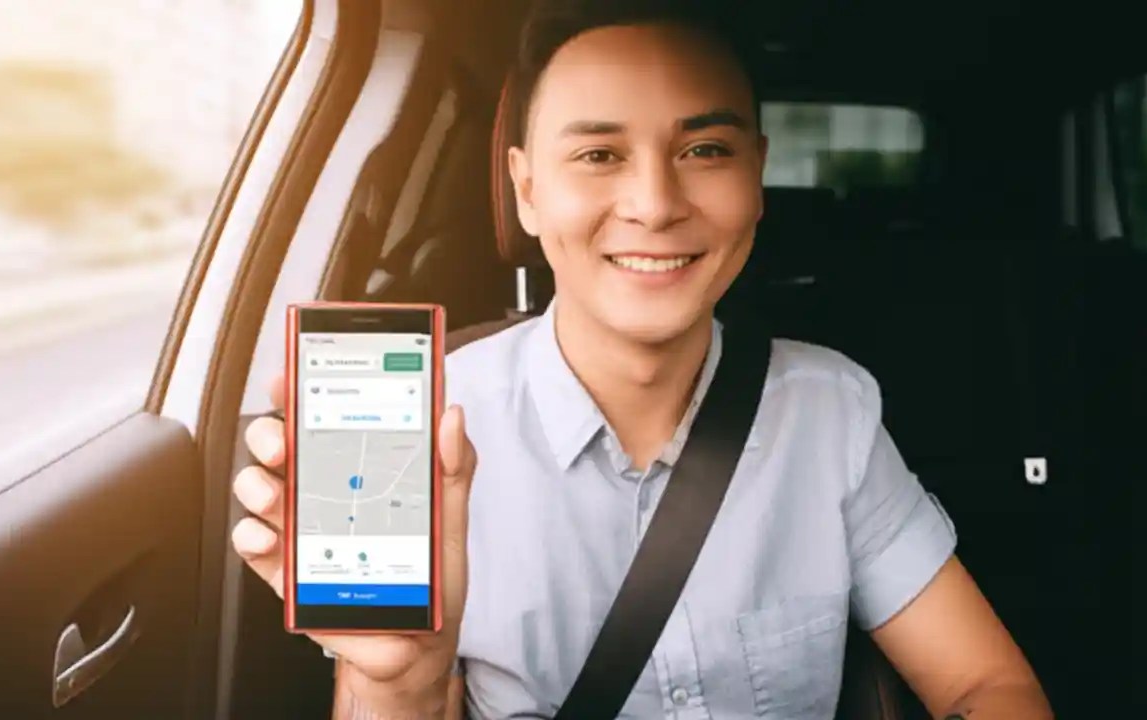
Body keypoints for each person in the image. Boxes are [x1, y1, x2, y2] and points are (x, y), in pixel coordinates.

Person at [231, 1, 1054, 717]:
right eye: (598, 155)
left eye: (705, 151)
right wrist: (401, 683)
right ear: (526, 190)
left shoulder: (831, 410)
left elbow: (988, 684)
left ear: (757, 177)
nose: (656, 205)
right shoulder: (426, 437)